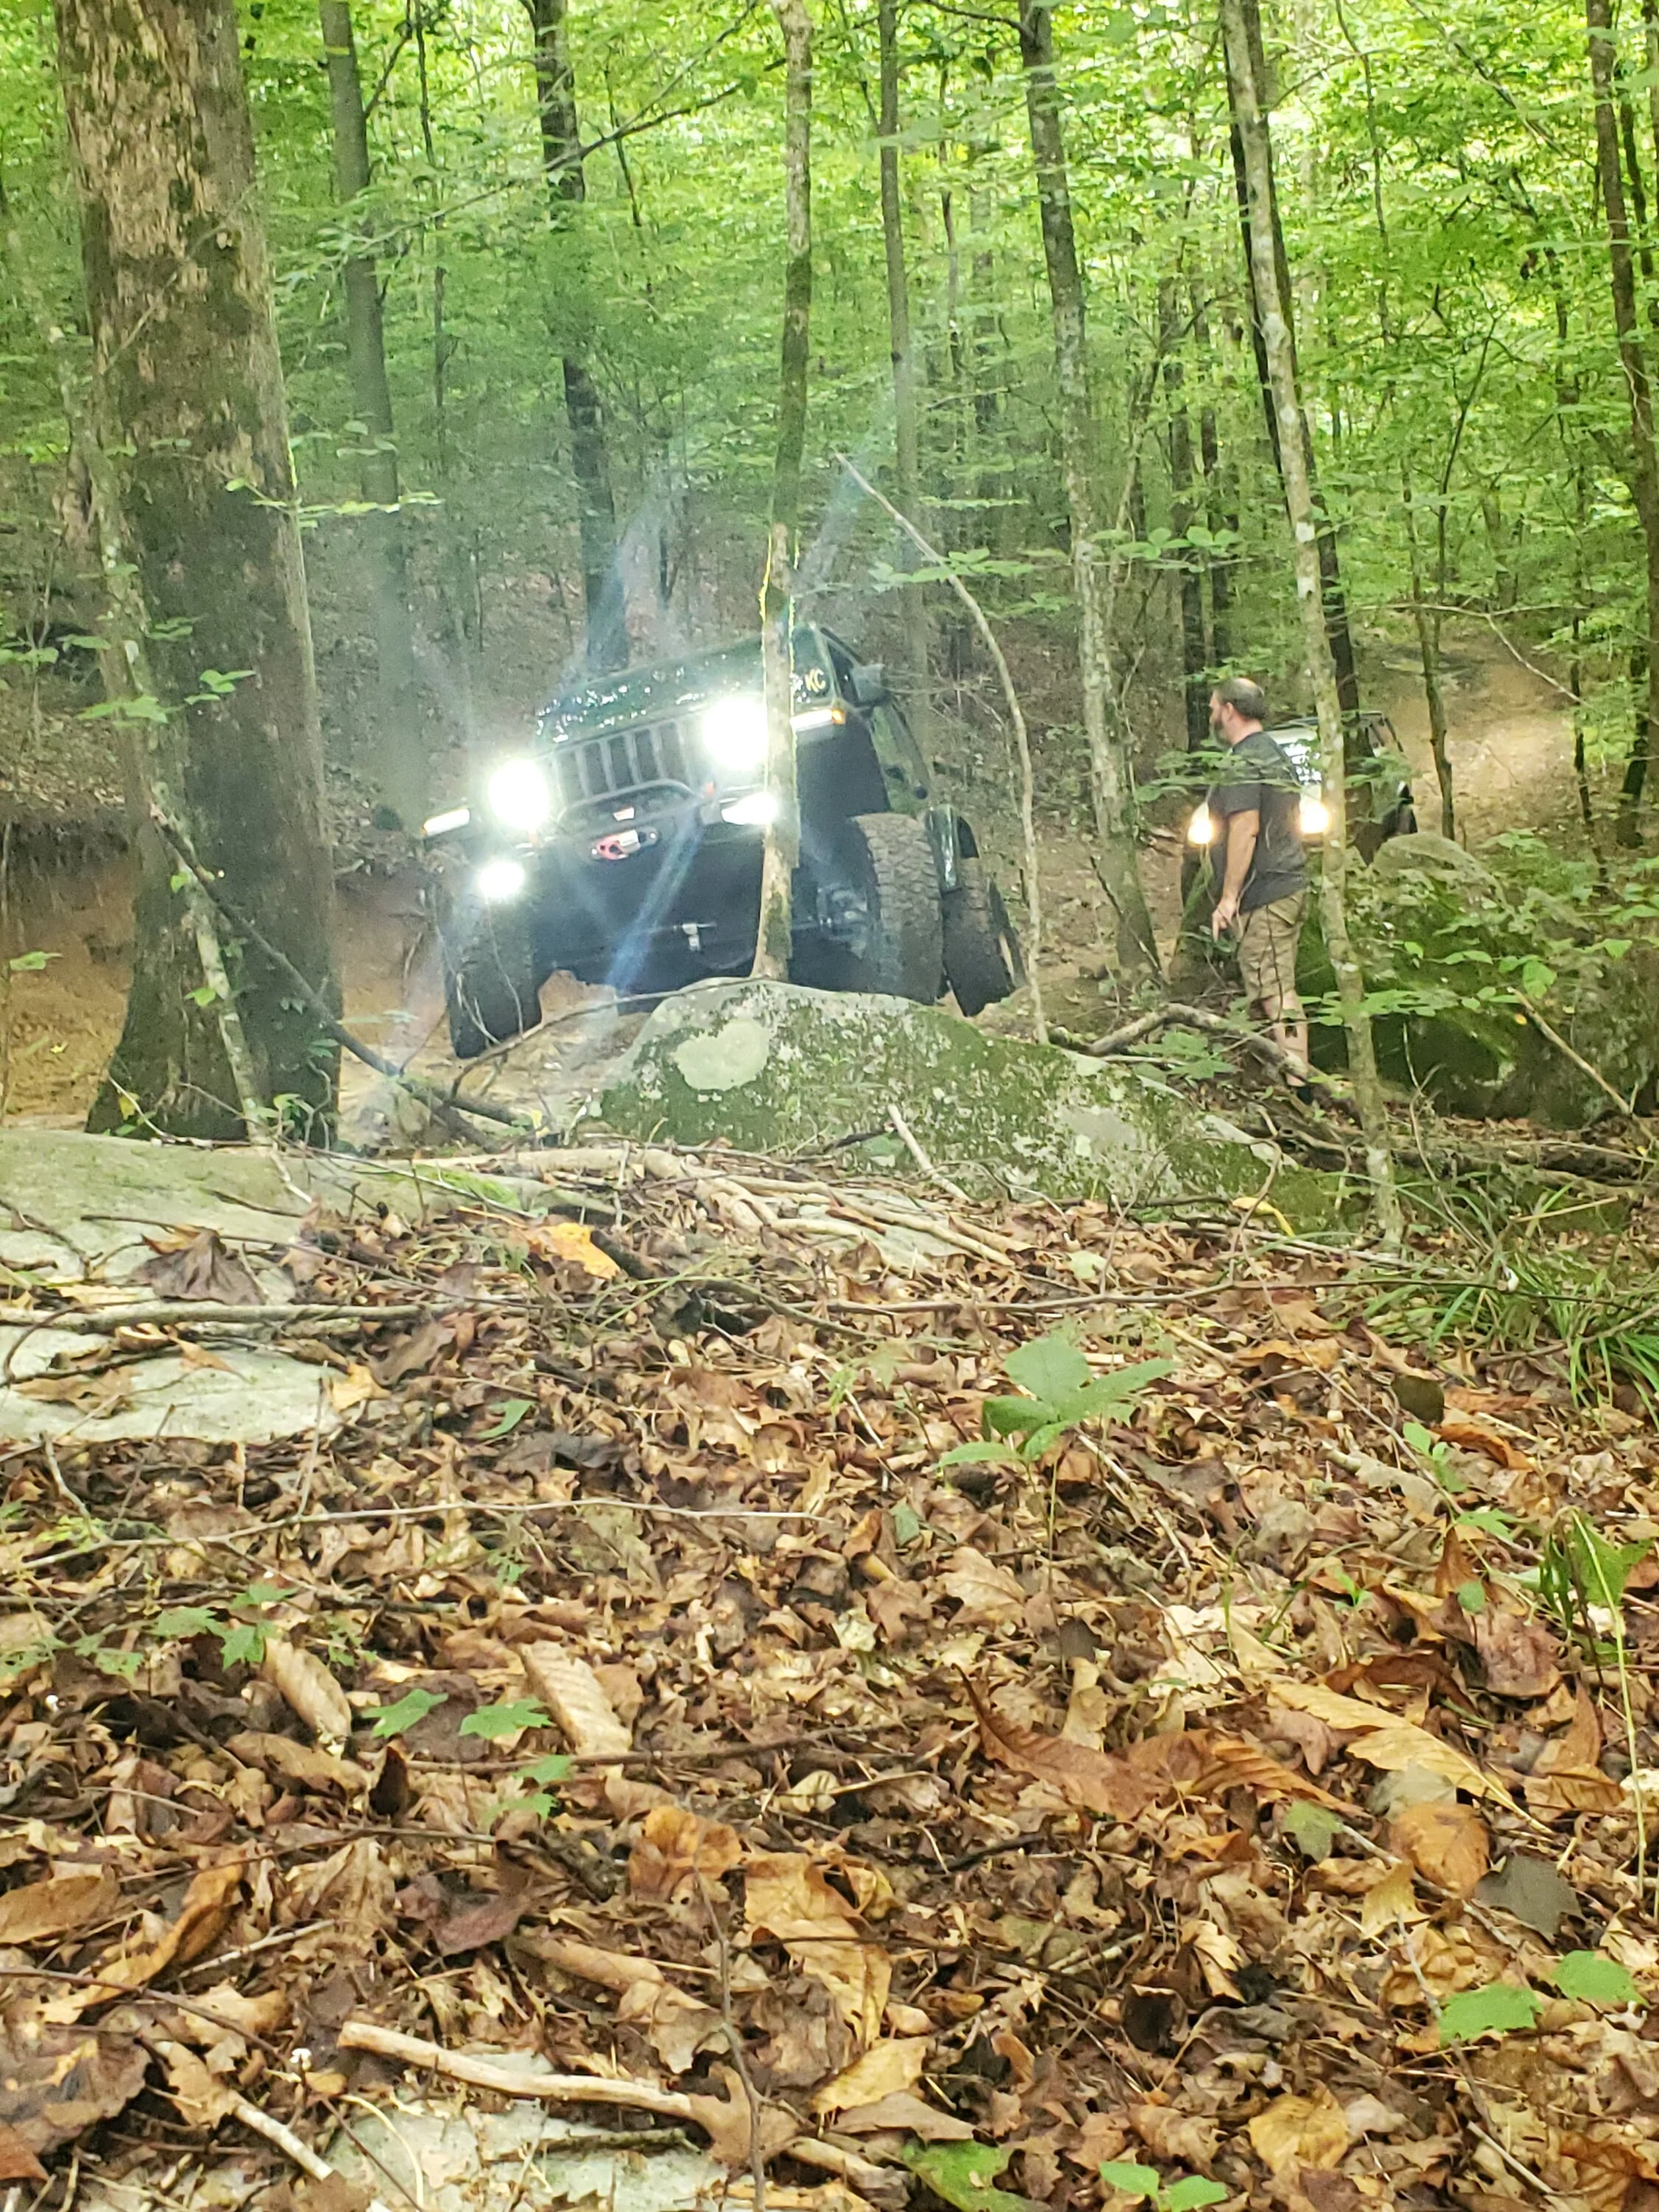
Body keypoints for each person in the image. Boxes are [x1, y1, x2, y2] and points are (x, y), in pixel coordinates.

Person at [1206, 677, 1310, 1076]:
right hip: (1287, 885)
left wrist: (1229, 897)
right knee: (1274, 986)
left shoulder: (1245, 761)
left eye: (1215, 707)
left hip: (1267, 893)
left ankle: (1298, 1083)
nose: (1213, 715)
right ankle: (1279, 1075)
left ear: (1229, 710)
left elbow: (1246, 828)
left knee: (1276, 992)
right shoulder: (1274, 754)